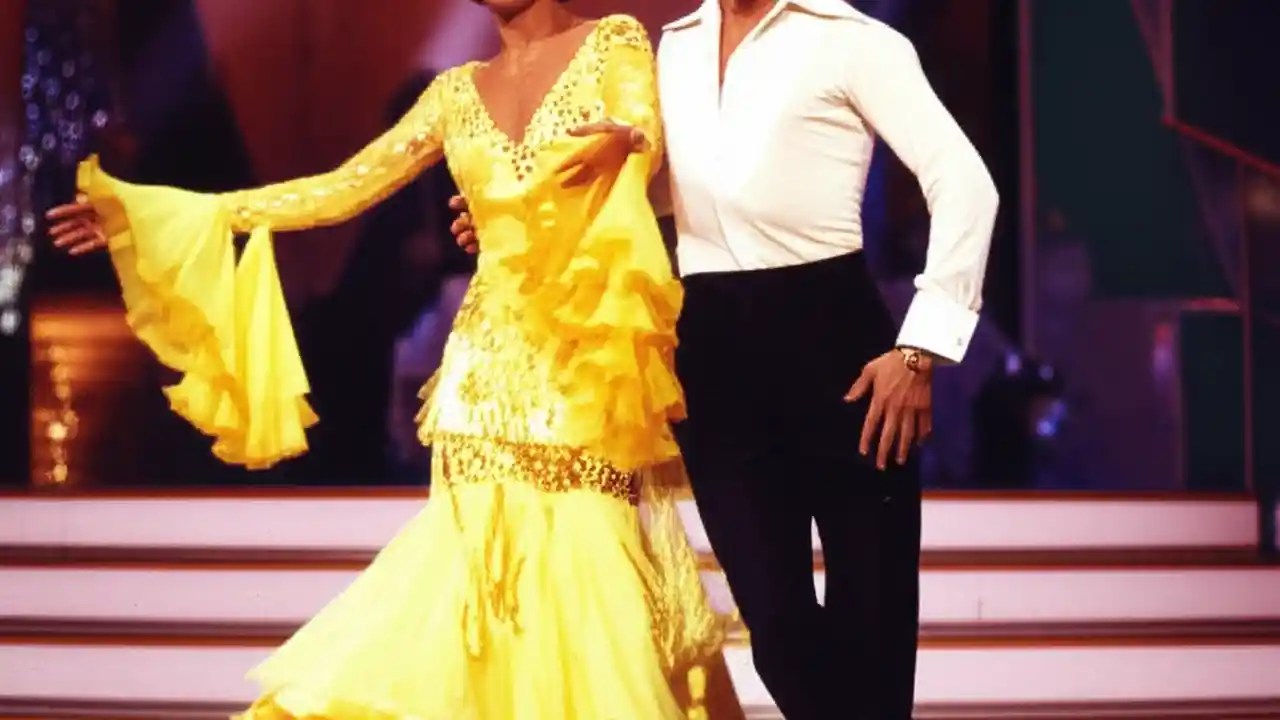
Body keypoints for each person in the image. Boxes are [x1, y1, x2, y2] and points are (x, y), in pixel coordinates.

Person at [46, 2, 721, 718]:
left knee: (588, 591)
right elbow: (339, 191)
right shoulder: (454, 93)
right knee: (481, 602)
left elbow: (640, 129)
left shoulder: (612, 41)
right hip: (481, 383)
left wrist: (631, 142)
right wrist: (163, 212)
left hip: (584, 370)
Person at [452, 0, 1000, 717]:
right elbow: (671, 198)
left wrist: (922, 346)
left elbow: (965, 184)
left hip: (839, 346)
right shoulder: (673, 49)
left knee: (873, 620)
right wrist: (516, 216)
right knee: (775, 626)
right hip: (714, 355)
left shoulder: (856, 41)